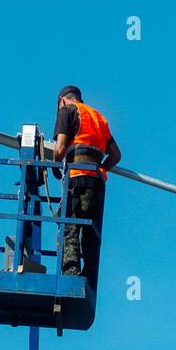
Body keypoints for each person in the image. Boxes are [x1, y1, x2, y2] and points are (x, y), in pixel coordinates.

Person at [49, 86, 121, 285]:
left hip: (76, 178)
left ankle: (70, 276)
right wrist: (101, 170)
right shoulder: (99, 117)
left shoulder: (67, 111)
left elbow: (60, 148)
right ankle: (89, 280)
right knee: (91, 232)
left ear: (61, 100)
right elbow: (116, 155)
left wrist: (55, 163)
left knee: (69, 226)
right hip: (96, 183)